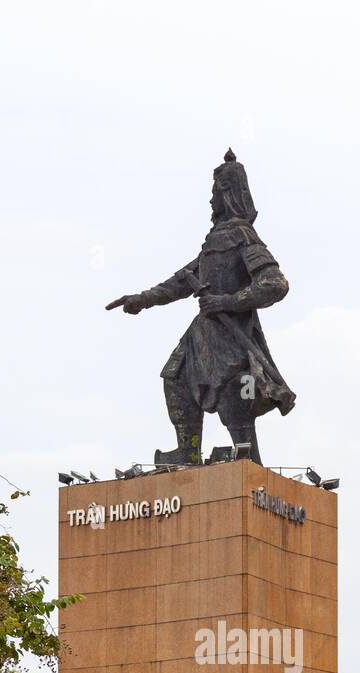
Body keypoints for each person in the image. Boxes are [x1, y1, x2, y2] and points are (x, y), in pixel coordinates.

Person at [107, 150, 295, 467]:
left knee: (235, 394)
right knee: (176, 378)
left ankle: (248, 458)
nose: (210, 203)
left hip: (232, 335)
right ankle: (189, 449)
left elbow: (275, 283)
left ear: (228, 194)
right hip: (203, 334)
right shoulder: (214, 240)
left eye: (214, 195)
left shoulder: (242, 235)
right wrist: (142, 299)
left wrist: (227, 301)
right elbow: (184, 280)